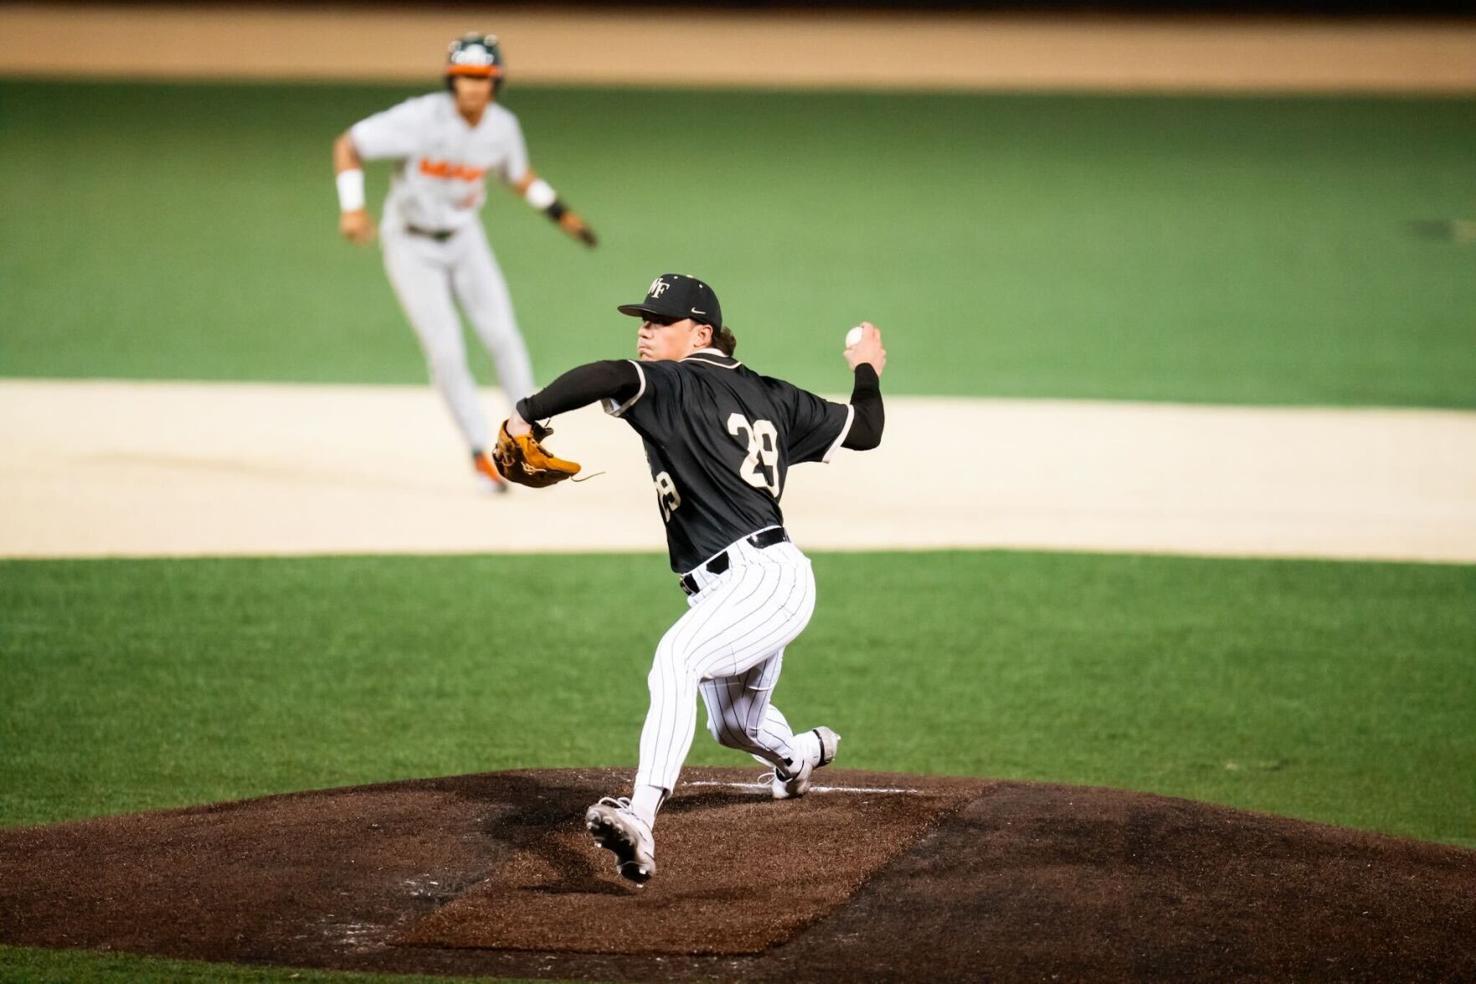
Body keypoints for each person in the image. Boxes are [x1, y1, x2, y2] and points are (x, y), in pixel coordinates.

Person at [503, 273, 887, 884]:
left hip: (764, 577)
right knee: (735, 727)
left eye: (660, 322)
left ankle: (641, 817)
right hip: (749, 584)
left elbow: (608, 374)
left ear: (701, 332)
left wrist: (526, 415)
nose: (645, 331)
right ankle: (803, 754)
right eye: (644, 320)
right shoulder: (774, 395)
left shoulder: (673, 382)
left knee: (676, 660)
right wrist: (866, 368)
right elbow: (865, 429)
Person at [332, 33, 597, 492]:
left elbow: (518, 175)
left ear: (496, 83)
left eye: (483, 78)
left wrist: (560, 214)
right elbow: (348, 145)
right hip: (411, 245)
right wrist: (352, 207)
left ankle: (526, 436)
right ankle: (480, 451)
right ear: (451, 80)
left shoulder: (502, 127)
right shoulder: (419, 119)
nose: (473, 87)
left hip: (465, 239)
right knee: (447, 351)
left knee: (504, 337)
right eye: (464, 77)